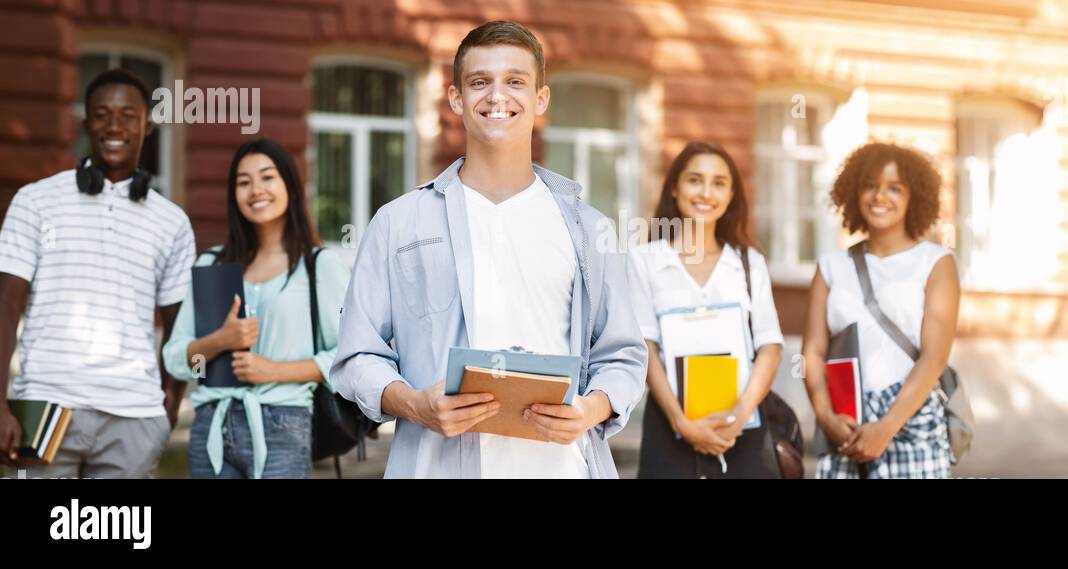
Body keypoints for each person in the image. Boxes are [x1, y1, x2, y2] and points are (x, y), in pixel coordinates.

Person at [330, 20, 647, 478]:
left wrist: (590, 410)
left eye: (515, 81)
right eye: (480, 82)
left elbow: (623, 354)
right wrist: (416, 404)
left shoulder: (587, 228)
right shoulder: (398, 223)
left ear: (541, 99)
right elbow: (357, 354)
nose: (497, 97)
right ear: (457, 98)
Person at [0, 68, 195, 478]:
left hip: (134, 415)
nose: (114, 125)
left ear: (147, 124)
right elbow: (6, 309)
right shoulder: (35, 201)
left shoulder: (171, 222)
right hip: (46, 404)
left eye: (128, 115)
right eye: (103, 114)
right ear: (86, 123)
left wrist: (167, 410)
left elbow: (180, 331)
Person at [162, 138, 349, 479]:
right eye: (243, 182)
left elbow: (347, 358)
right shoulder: (213, 264)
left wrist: (272, 370)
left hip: (283, 425)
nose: (255, 190)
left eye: (267, 177)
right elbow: (176, 359)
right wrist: (218, 341)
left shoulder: (318, 266)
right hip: (211, 427)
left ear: (289, 185)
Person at [801, 142, 960, 479]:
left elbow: (934, 356)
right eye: (870, 185)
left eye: (894, 188)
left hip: (911, 424)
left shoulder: (935, 262)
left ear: (913, 196)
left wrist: (886, 427)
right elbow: (812, 352)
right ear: (854, 192)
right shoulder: (831, 266)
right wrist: (827, 417)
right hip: (846, 426)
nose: (879, 196)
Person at [629, 142, 784, 478]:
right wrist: (681, 422)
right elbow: (645, 346)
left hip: (744, 430)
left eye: (719, 183)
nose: (706, 192)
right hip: (670, 429)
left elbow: (770, 347)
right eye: (695, 180)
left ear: (731, 195)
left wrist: (738, 418)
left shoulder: (748, 262)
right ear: (675, 187)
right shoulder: (646, 260)